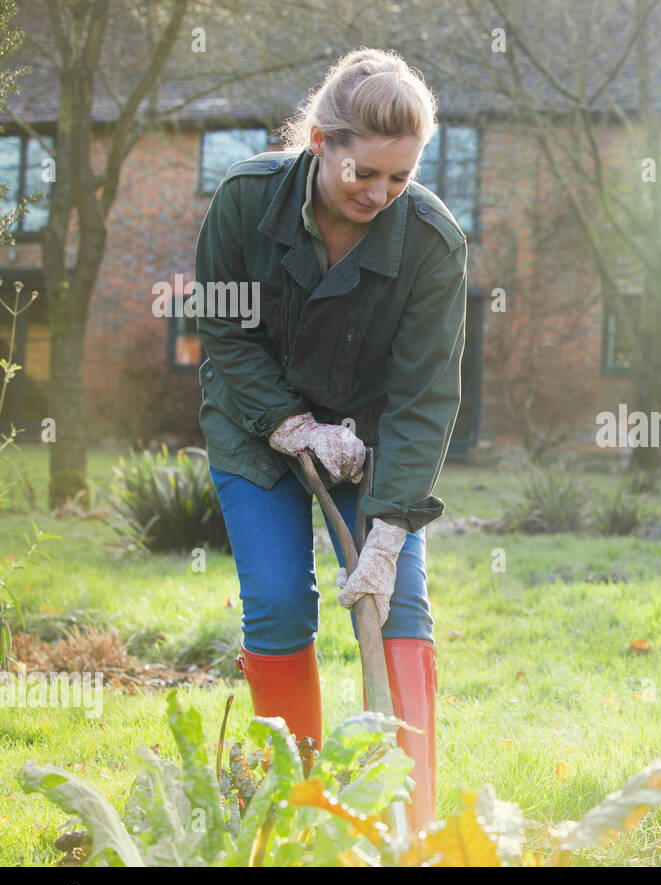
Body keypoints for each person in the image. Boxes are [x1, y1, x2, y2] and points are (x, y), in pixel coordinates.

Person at [193, 48, 468, 832]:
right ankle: (298, 806)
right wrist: (292, 423)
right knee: (278, 604)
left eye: (400, 178)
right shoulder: (247, 201)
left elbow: (424, 397)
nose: (380, 194)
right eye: (363, 175)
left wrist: (389, 527)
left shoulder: (432, 244)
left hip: (375, 437)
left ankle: (408, 822)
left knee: (395, 600)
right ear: (321, 142)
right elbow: (222, 328)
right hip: (256, 427)